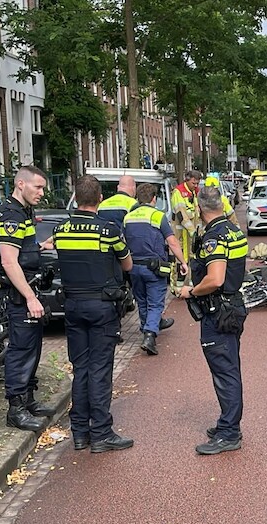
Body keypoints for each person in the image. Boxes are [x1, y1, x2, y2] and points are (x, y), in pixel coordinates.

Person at [54, 175, 135, 453]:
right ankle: (101, 433)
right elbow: (127, 265)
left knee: (81, 369)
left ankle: (79, 432)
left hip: (73, 307)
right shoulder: (108, 230)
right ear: (100, 198)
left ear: (76, 198)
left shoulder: (61, 230)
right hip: (101, 307)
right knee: (100, 371)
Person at [176, 187, 249, 456]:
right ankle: (227, 424)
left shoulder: (214, 237)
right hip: (232, 307)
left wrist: (191, 291)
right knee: (229, 367)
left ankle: (230, 432)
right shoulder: (233, 230)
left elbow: (215, 279)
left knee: (224, 372)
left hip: (217, 311)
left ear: (199, 207)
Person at [0, 165, 55, 433]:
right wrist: (29, 297)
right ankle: (16, 410)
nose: (41, 192)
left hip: (25, 289)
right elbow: (8, 260)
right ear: (21, 184)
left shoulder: (22, 211)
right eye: (37, 187)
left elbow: (20, 249)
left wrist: (41, 247)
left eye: (43, 188)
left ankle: (27, 400)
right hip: (18, 294)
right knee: (21, 350)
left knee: (32, 347)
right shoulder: (12, 215)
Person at [125, 182, 188, 355]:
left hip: (134, 267)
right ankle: (150, 335)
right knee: (155, 303)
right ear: (154, 199)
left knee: (142, 301)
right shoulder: (157, 216)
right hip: (154, 267)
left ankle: (148, 327)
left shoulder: (128, 217)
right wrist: (183, 262)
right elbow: (172, 242)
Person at [171, 170, 202, 278]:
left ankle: (189, 287)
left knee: (191, 262)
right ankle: (177, 289)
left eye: (197, 183)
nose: (196, 185)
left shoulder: (195, 192)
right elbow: (181, 215)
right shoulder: (178, 192)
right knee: (179, 264)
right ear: (187, 180)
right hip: (181, 236)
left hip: (190, 238)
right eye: (194, 183)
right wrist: (193, 232)